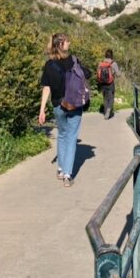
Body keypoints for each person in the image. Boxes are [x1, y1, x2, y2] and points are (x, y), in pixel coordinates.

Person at [38, 33, 90, 187]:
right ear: (61, 44)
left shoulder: (49, 65)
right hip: (74, 103)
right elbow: (87, 74)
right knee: (71, 137)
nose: (69, 43)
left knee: (62, 135)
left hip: (57, 105)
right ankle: (68, 174)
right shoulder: (74, 60)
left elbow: (46, 88)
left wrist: (42, 110)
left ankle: (60, 170)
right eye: (67, 41)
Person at [97, 49, 121, 120]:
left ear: (105, 55)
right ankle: (108, 110)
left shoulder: (100, 63)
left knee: (105, 98)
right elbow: (118, 74)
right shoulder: (113, 63)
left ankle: (105, 112)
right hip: (110, 83)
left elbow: (98, 73)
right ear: (112, 55)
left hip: (102, 83)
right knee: (111, 98)